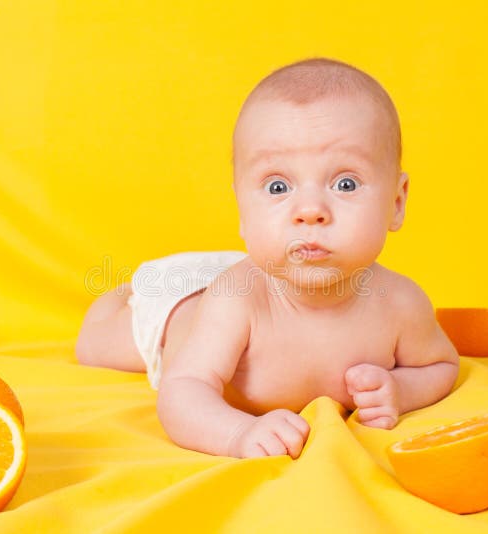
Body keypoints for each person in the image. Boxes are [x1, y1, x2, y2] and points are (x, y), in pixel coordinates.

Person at [76, 58, 459, 459]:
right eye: (278, 186)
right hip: (182, 307)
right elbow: (182, 390)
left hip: (255, 265)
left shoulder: (401, 304)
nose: (310, 210)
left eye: (345, 183)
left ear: (396, 202)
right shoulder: (237, 303)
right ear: (242, 208)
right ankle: (124, 295)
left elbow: (440, 367)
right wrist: (238, 433)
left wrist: (401, 390)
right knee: (95, 346)